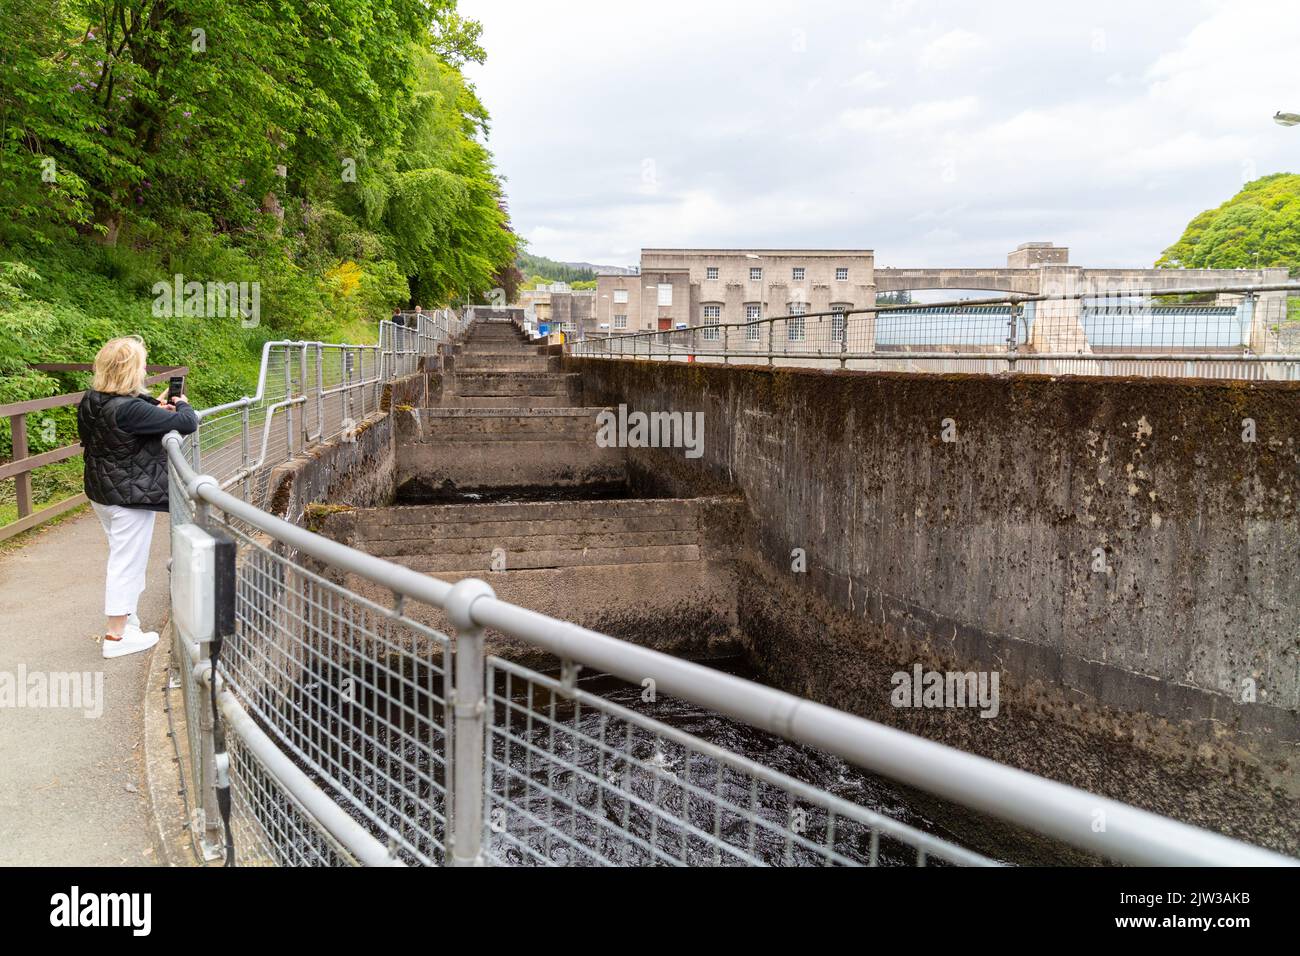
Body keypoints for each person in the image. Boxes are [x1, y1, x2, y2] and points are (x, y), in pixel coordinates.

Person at [76, 336, 199, 659]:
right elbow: (188, 422)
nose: (145, 370)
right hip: (127, 496)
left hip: (102, 492)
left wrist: (153, 406)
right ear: (132, 371)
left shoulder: (94, 399)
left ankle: (127, 621)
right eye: (142, 365)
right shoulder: (129, 409)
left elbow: (124, 417)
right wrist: (181, 402)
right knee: (126, 563)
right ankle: (116, 637)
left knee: (122, 555)